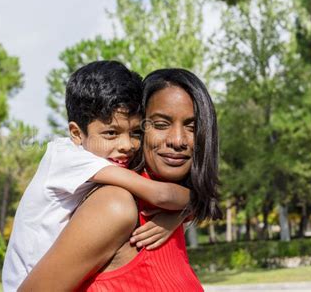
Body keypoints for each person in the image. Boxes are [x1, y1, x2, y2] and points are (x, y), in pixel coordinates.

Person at [18, 68, 223, 291]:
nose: (177, 140)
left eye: (192, 127)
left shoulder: (164, 209)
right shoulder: (115, 205)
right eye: (161, 124)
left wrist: (181, 212)